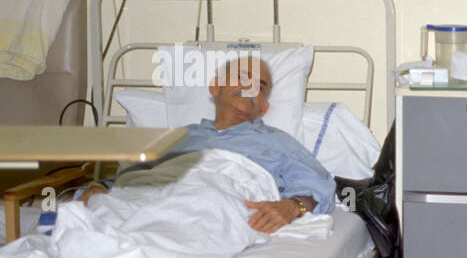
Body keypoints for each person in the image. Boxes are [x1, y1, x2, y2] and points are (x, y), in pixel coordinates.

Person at [79, 56, 335, 233]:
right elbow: (136, 177)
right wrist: (101, 186)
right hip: (152, 199)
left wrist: (292, 206)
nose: (248, 87)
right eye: (242, 77)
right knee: (88, 217)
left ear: (263, 107)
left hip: (219, 204)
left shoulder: (277, 142)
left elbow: (317, 186)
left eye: (258, 86)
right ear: (215, 87)